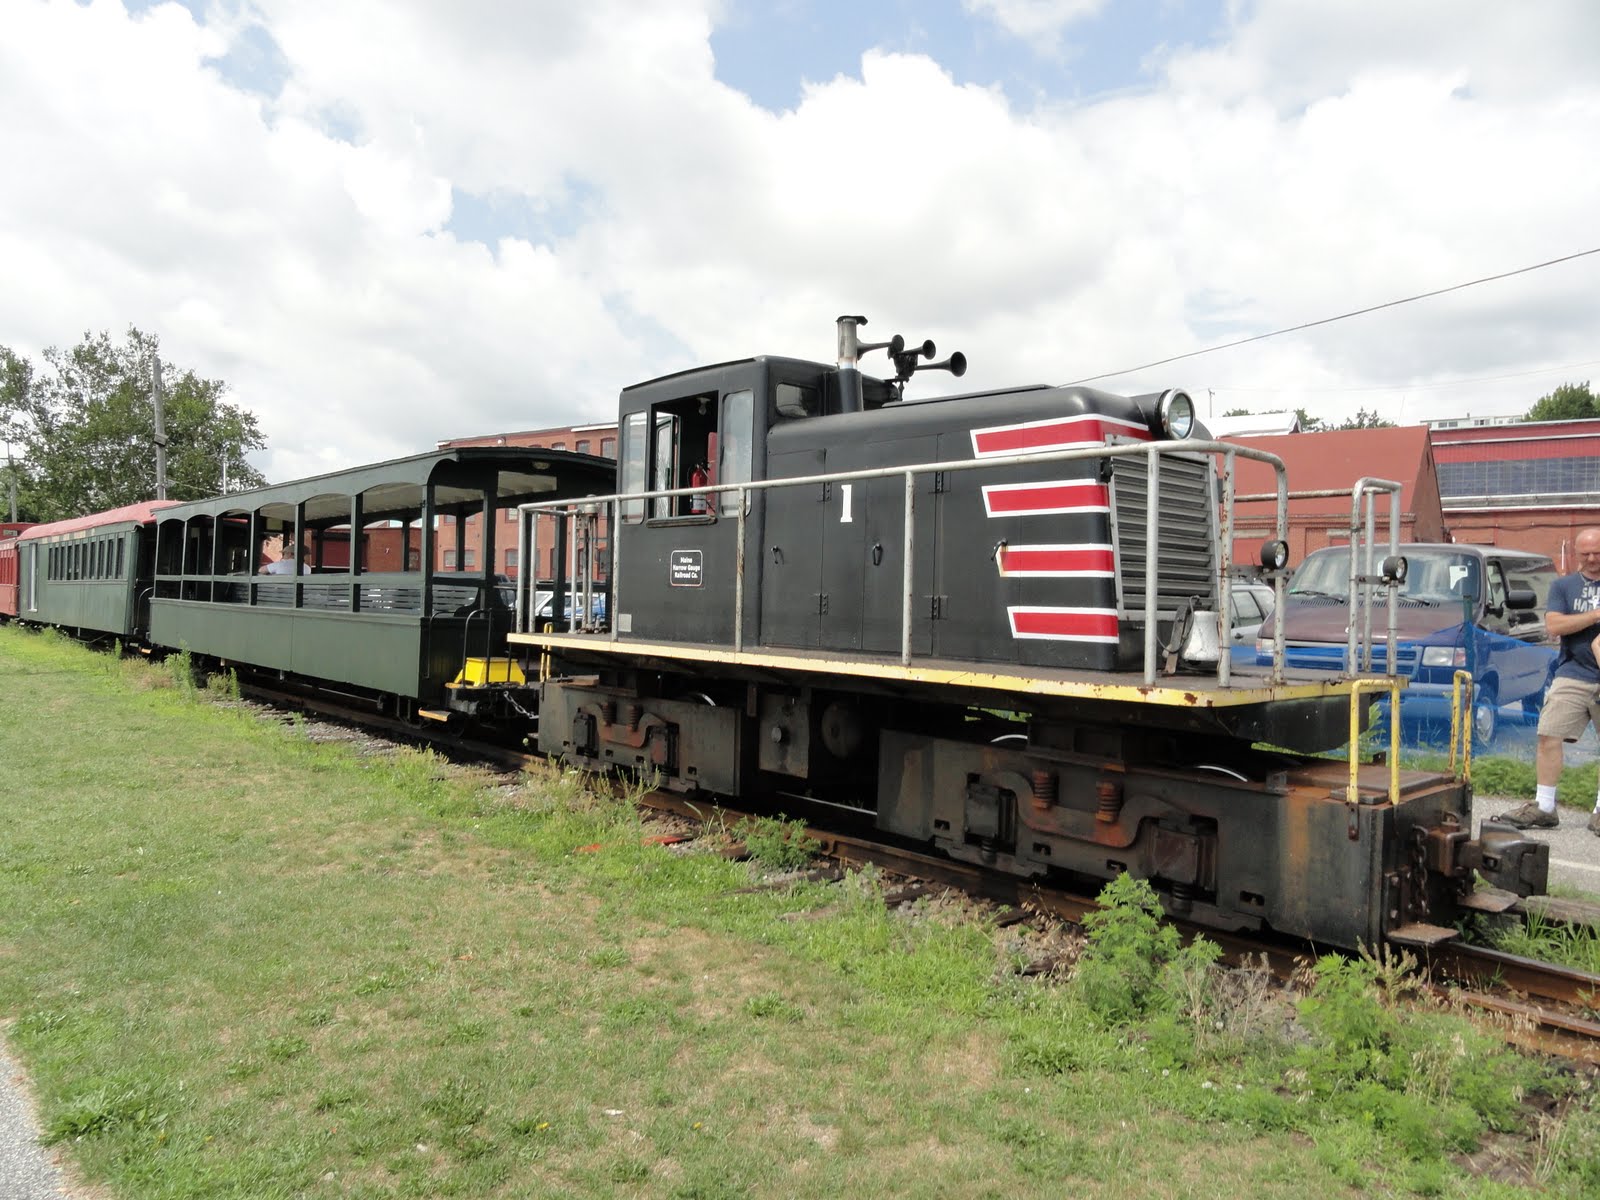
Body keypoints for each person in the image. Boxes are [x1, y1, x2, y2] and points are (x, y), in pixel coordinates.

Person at [1496, 527, 1600, 836]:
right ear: (1577, 554)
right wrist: (1595, 615)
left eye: (1598, 553)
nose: (1593, 559)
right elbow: (1554, 625)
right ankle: (1544, 807)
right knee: (1548, 734)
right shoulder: (1564, 586)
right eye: (1586, 554)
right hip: (1573, 672)